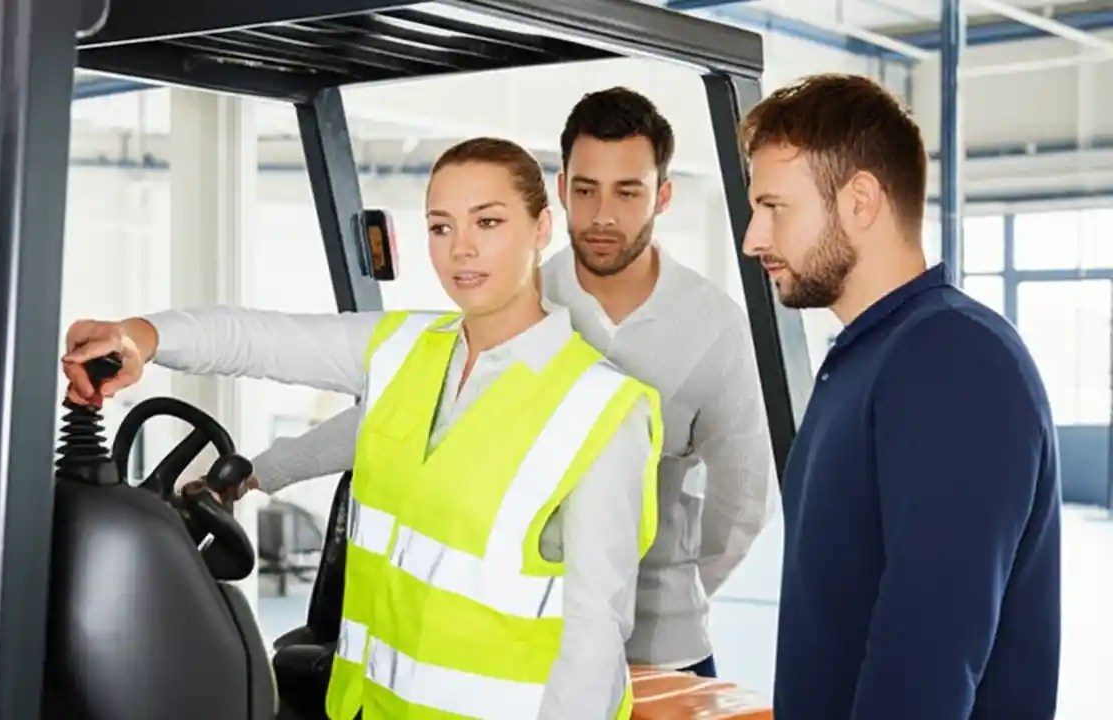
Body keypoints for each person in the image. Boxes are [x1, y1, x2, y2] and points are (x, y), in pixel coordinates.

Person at [61, 137, 663, 720]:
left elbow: (594, 639)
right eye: (440, 226)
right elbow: (262, 341)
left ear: (539, 229)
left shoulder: (600, 410)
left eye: (488, 223)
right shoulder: (404, 352)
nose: (460, 250)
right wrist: (143, 336)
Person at [248, 86, 775, 678]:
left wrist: (667, 587)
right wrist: (265, 470)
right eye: (585, 190)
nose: (603, 215)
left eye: (628, 192)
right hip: (523, 649)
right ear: (560, 193)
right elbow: (400, 411)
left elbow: (742, 501)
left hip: (664, 649)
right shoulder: (518, 297)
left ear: (664, 196)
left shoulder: (715, 327)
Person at [740, 73, 1061, 718]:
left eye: (775, 208)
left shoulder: (953, 360)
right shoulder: (867, 359)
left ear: (861, 201)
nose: (754, 238)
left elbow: (927, 657)